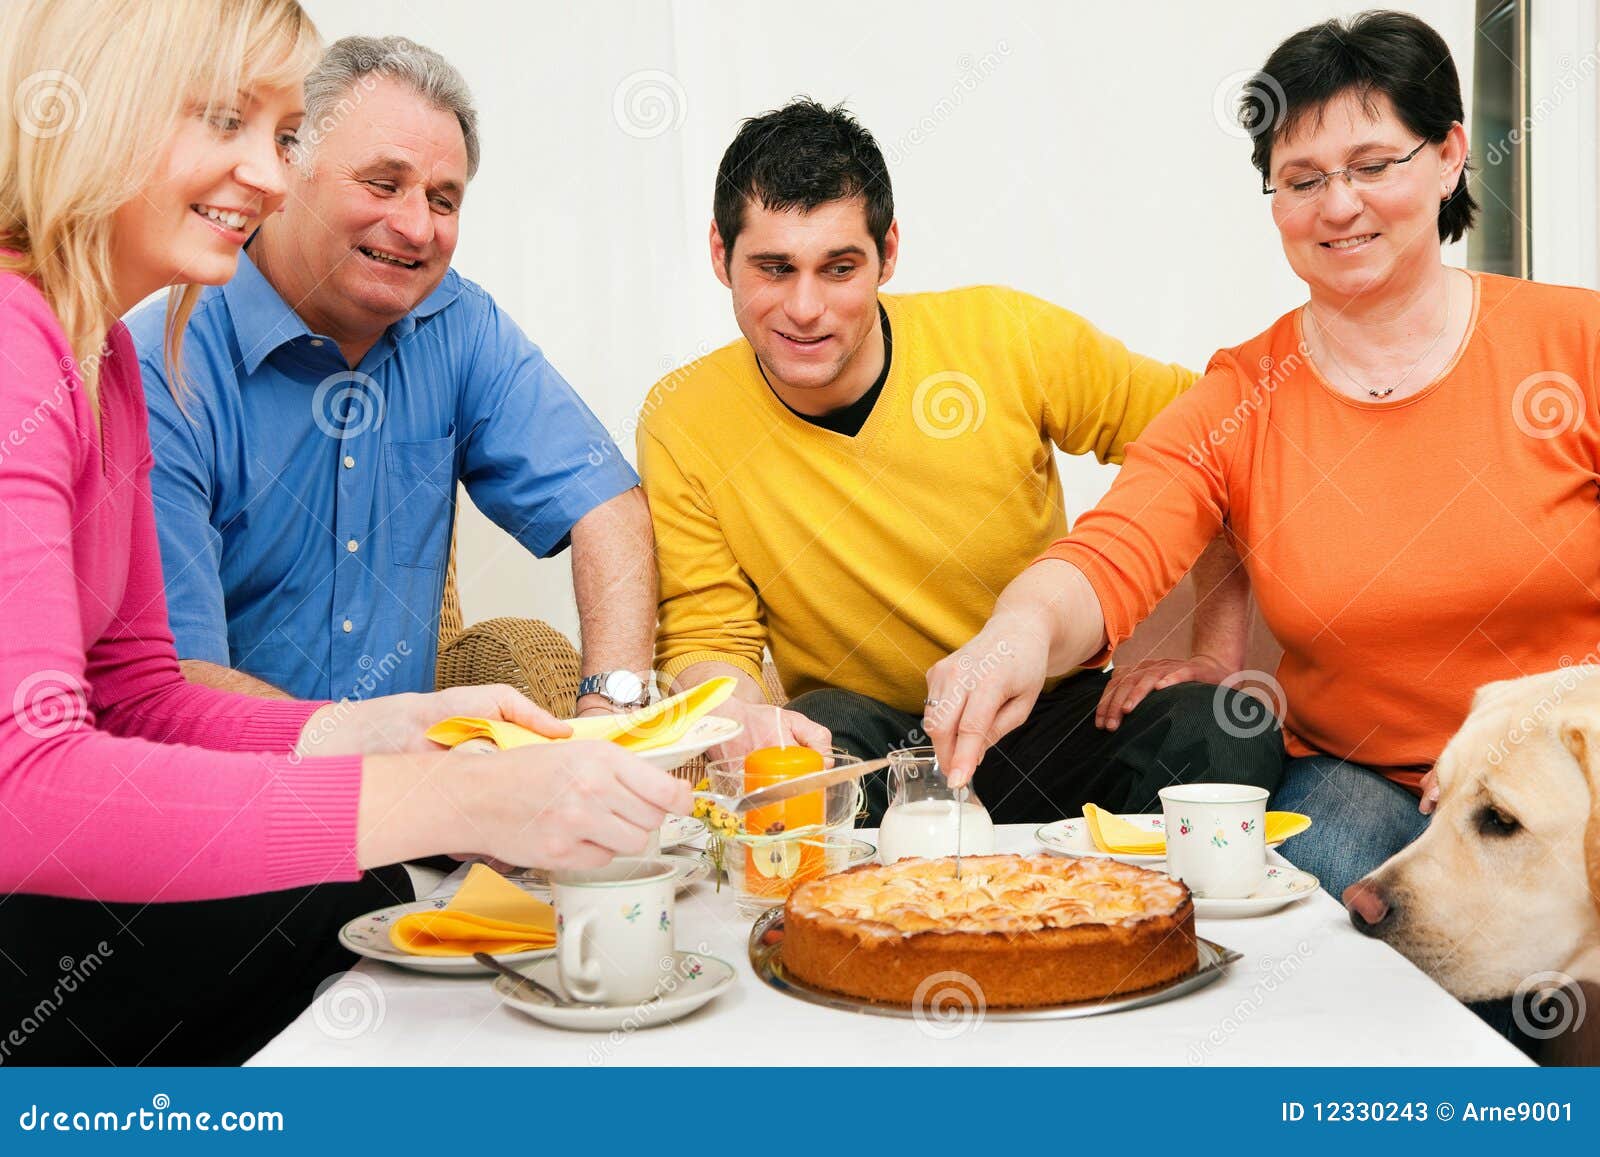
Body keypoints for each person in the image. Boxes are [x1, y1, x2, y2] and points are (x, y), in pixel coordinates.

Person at [0, 0, 690, 1066]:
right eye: (230, 123)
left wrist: (405, 728)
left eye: (279, 138)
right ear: (102, 110)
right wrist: (447, 794)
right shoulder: (24, 348)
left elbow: (141, 693)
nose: (270, 177)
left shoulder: (108, 366)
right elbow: (25, 791)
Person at [928, 11, 1600, 908]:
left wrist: (1518, 761)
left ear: (1447, 156)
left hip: (1569, 769)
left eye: (1371, 165)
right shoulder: (1243, 394)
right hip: (1361, 777)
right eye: (1301, 179)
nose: (1338, 204)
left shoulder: (1575, 344)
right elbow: (1109, 552)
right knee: (1309, 892)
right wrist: (1015, 636)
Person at [638, 99, 1282, 824]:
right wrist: (739, 721)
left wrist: (1214, 649)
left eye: (839, 267)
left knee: (1226, 728)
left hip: (1048, 715)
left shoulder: (1005, 336)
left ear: (889, 252)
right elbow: (707, 636)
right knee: (811, 769)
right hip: (865, 737)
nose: (806, 306)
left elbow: (1220, 443)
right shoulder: (683, 416)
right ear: (721, 257)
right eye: (774, 268)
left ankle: (1126, 923)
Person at [127, 35, 655, 718]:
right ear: (289, 168)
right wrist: (377, 753)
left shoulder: (457, 324)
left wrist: (610, 708)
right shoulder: (160, 364)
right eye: (383, 184)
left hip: (408, 792)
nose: (415, 226)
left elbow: (608, 505)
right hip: (231, 793)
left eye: (443, 199)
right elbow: (176, 683)